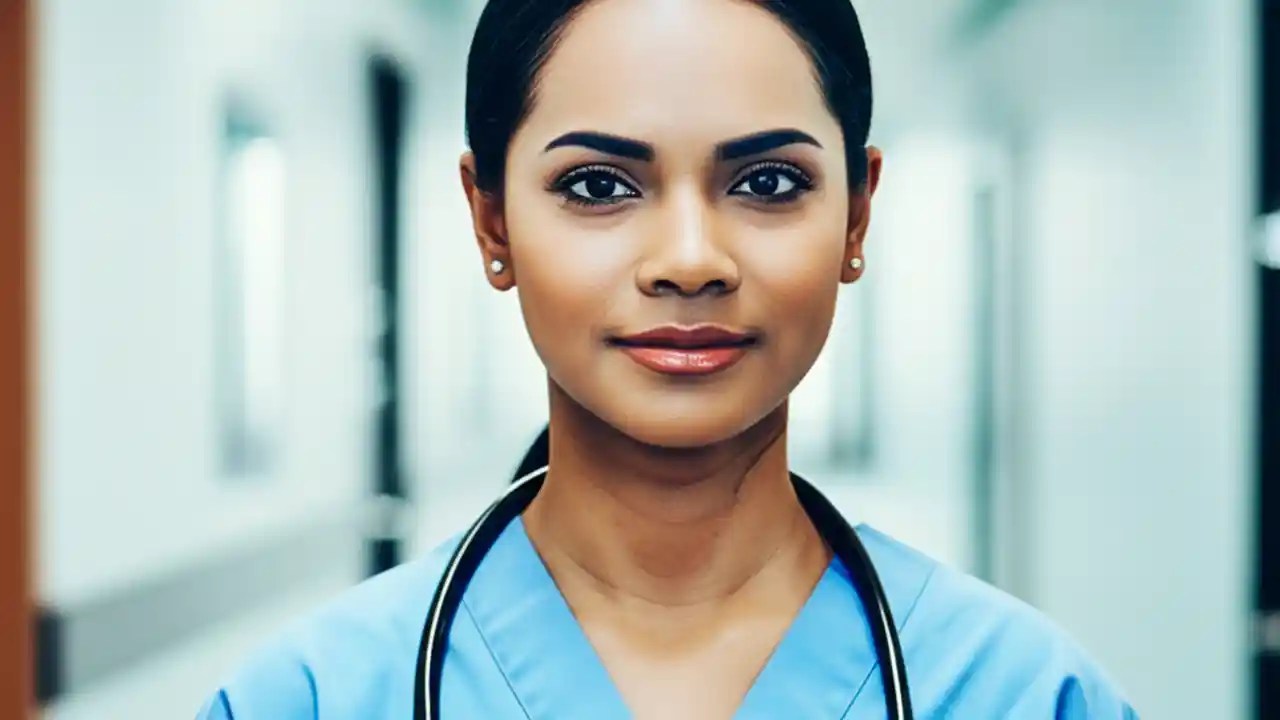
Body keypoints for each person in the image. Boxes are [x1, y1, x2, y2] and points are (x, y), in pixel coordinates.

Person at [198, 0, 1138, 717]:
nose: (691, 259)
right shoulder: (316, 696)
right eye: (598, 185)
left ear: (857, 214)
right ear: (492, 221)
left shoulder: (1024, 692)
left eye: (768, 182)